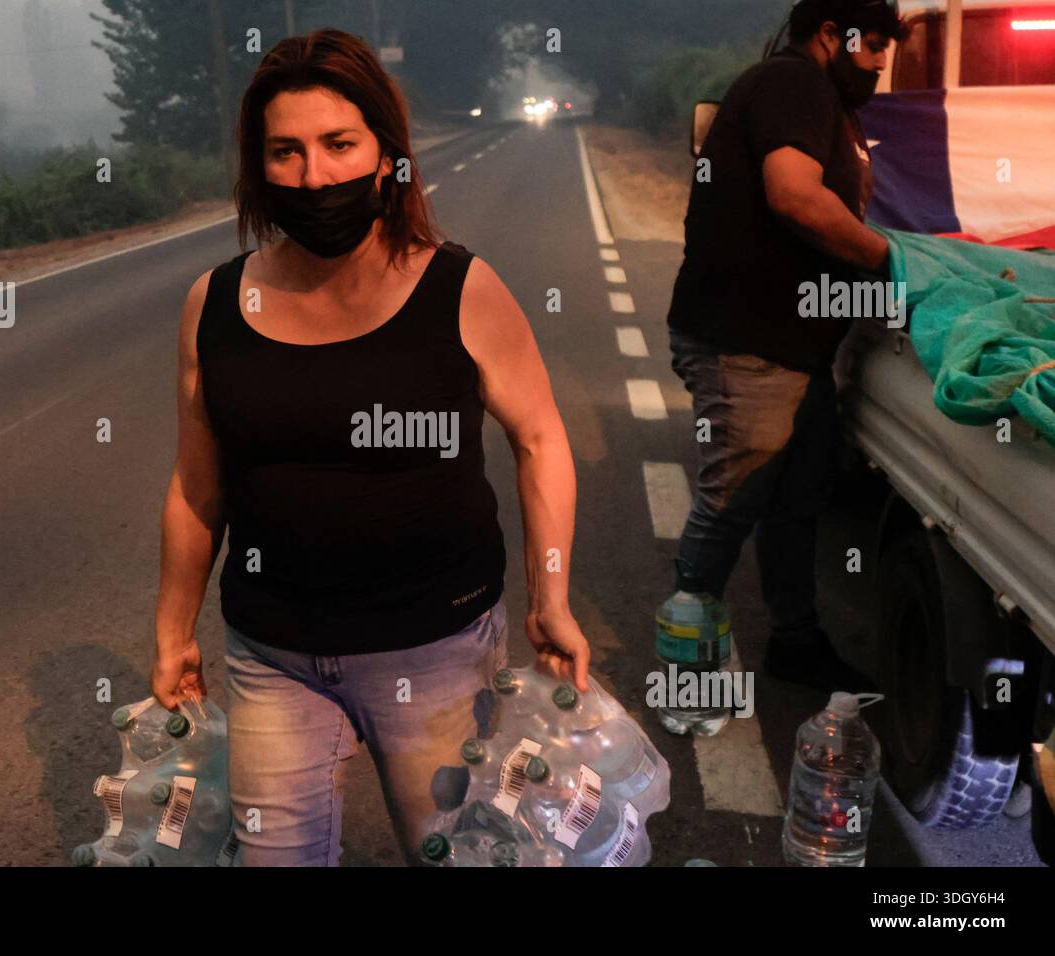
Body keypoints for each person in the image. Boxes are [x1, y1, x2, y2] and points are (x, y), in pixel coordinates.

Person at [149, 28, 589, 866]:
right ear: (259, 166)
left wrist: (553, 596)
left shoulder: (461, 288)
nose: (315, 176)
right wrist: (173, 628)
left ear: (388, 154)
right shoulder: (213, 305)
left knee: (456, 854)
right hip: (272, 655)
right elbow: (196, 488)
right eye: (287, 152)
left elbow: (540, 438)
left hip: (437, 656)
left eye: (339, 144)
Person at [664, 0, 907, 693]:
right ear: (830, 34)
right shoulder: (792, 84)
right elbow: (795, 196)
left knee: (799, 497)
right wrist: (893, 263)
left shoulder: (825, 100)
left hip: (791, 348)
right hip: (746, 341)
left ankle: (795, 641)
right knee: (731, 499)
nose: (882, 60)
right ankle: (686, 662)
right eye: (875, 43)